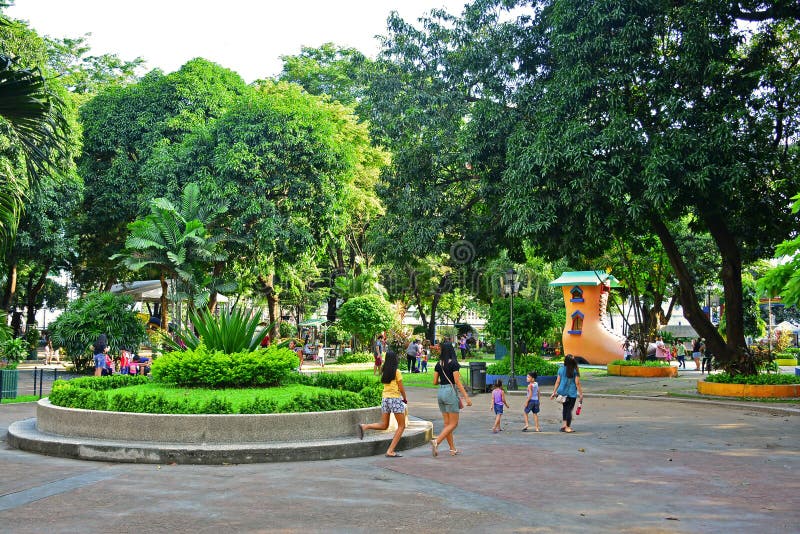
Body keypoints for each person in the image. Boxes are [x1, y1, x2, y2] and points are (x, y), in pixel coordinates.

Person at [357, 350, 407, 457]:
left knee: (384, 425)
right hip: (394, 399)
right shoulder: (397, 371)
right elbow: (401, 388)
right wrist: (405, 399)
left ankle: (365, 426)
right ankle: (390, 450)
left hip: (385, 399)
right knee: (402, 426)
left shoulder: (384, 370)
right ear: (395, 359)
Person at [431, 337, 472, 457]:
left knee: (447, 424)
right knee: (454, 424)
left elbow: (434, 382)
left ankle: (452, 449)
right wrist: (466, 398)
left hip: (440, 393)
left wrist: (442, 383)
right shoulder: (454, 363)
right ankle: (436, 441)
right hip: (450, 392)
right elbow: (457, 382)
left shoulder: (438, 364)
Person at [550, 354, 584, 433]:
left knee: (565, 408)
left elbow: (557, 382)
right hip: (571, 394)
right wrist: (581, 394)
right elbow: (577, 383)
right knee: (569, 410)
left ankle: (564, 425)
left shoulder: (561, 369)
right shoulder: (575, 371)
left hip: (562, 393)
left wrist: (554, 392)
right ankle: (568, 427)